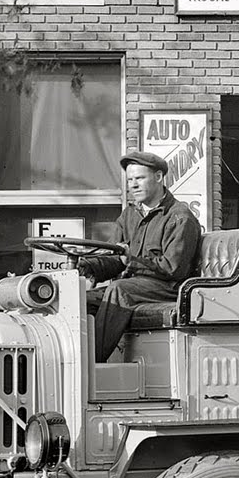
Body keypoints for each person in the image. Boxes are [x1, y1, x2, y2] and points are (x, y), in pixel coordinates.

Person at [77, 150, 203, 362]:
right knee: (80, 300)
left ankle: (91, 365)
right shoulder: (129, 215)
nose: (133, 185)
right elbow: (115, 257)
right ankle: (69, 360)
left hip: (168, 288)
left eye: (140, 178)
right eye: (130, 180)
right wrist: (87, 266)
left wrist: (131, 259)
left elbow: (174, 268)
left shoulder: (179, 217)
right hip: (136, 285)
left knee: (119, 290)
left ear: (159, 177)